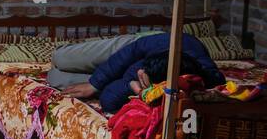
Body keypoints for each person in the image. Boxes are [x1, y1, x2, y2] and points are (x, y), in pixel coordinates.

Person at [55, 32, 224, 113]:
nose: (141, 72)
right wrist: (95, 83)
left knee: (55, 77)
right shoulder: (163, 45)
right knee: (60, 58)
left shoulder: (197, 80)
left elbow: (109, 99)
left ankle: (97, 79)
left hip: (135, 70)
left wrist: (133, 87)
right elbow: (130, 54)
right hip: (133, 46)